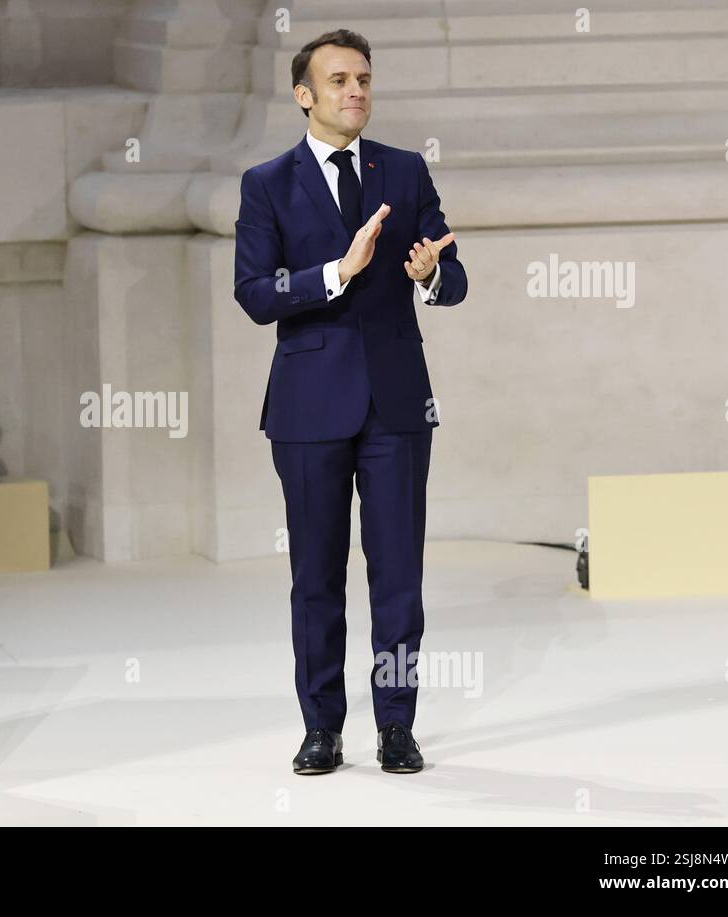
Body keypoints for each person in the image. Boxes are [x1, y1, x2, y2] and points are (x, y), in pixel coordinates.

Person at [233, 29, 468, 775]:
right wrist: (335, 271)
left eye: (363, 78)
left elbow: (454, 279)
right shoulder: (266, 183)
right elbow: (253, 293)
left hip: (397, 407)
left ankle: (396, 726)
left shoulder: (405, 168)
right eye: (338, 80)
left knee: (398, 576)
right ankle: (321, 728)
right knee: (316, 576)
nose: (355, 91)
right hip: (307, 407)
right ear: (304, 94)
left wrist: (431, 272)